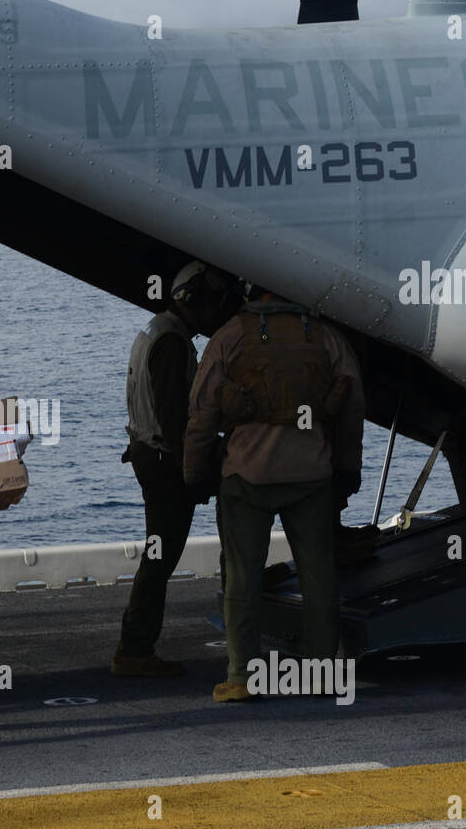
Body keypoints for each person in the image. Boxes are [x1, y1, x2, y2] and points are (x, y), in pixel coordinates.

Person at [184, 287, 365, 701]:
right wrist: (348, 468)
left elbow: (202, 412)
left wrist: (194, 474)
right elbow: (352, 403)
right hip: (311, 473)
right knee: (319, 575)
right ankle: (322, 673)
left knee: (243, 575)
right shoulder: (324, 335)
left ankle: (241, 677)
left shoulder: (230, 336)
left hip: (247, 475)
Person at [113, 261, 240, 678]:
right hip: (164, 462)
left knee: (158, 554)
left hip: (148, 455)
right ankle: (134, 649)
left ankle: (135, 647)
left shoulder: (156, 330)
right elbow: (175, 421)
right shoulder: (172, 342)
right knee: (160, 556)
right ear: (196, 302)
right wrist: (197, 473)